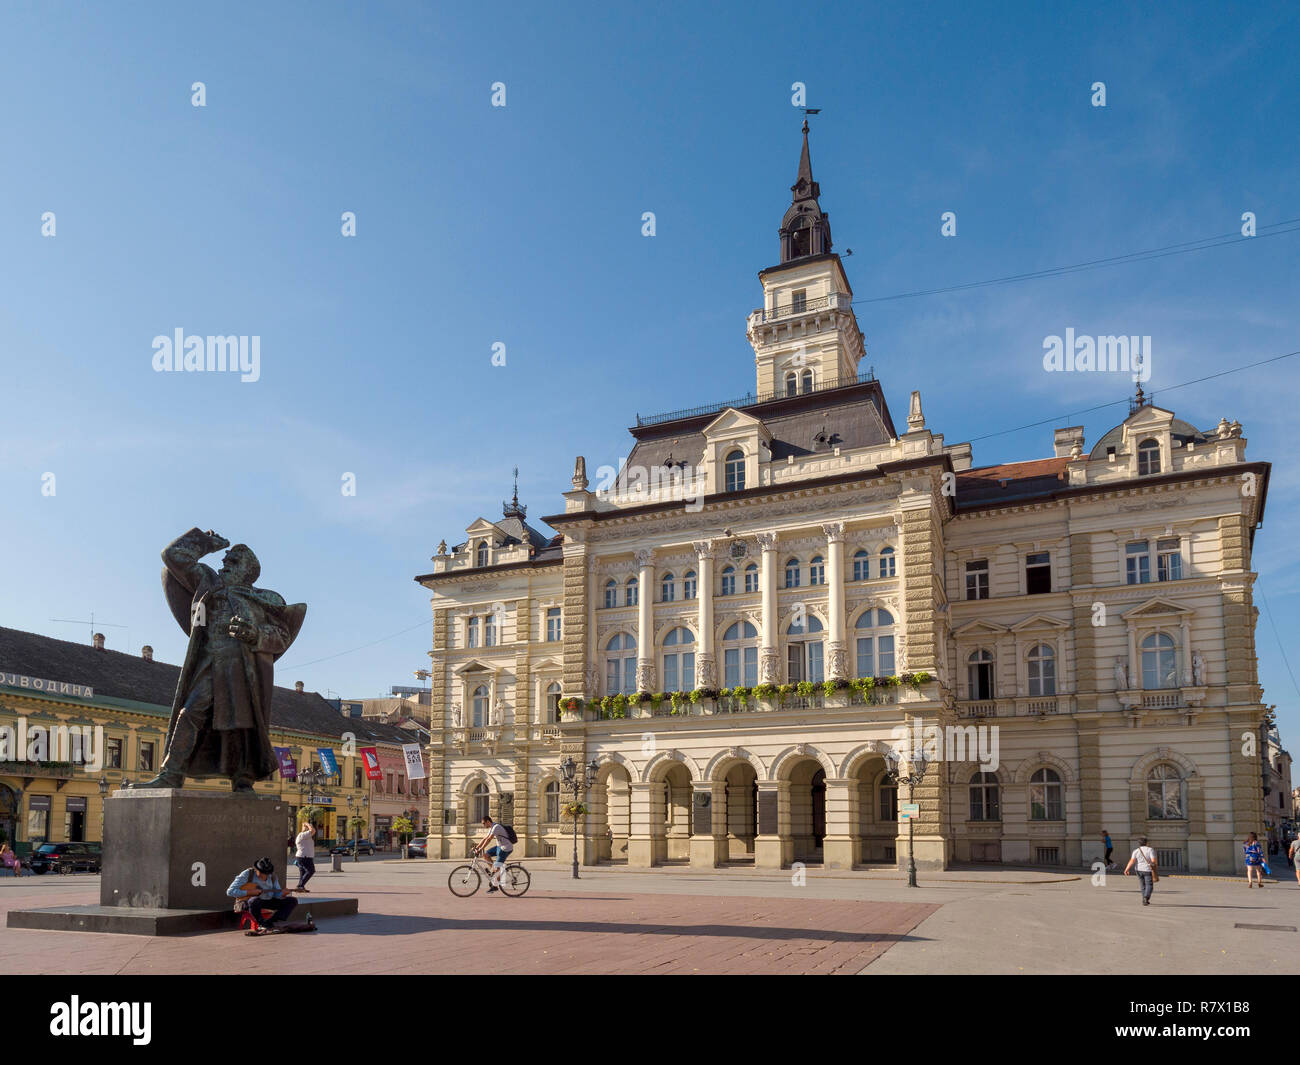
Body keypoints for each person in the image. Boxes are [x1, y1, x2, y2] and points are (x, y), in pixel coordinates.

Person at [227, 857, 297, 933]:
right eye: (261, 873)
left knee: (292, 901)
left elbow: (276, 895)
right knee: (254, 900)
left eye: (266, 874)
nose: (264, 876)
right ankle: (261, 923)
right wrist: (249, 892)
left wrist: (282, 894)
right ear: (256, 869)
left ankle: (269, 922)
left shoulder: (272, 877)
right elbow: (230, 891)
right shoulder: (247, 874)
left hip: (266, 901)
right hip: (246, 902)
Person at [473, 814, 513, 894]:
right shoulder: (492, 827)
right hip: (499, 847)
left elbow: (489, 840)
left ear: (488, 822)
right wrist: (477, 847)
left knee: (497, 868)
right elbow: (485, 838)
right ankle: (494, 871)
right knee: (486, 855)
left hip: (505, 848)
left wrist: (481, 849)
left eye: (484, 823)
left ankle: (495, 886)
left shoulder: (496, 827)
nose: (483, 825)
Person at [1123, 835, 1158, 905]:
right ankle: (1146, 897)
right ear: (1146, 842)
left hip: (1138, 870)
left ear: (1139, 843)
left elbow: (1132, 861)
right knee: (1149, 885)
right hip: (1147, 870)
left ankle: (1144, 900)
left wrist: (1126, 869)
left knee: (1142, 885)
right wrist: (1155, 867)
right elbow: (1154, 861)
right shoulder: (1150, 850)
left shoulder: (1136, 851)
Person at [293, 822, 316, 893]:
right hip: (304, 857)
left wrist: (305, 826)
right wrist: (308, 824)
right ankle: (300, 886)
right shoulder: (302, 835)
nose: (309, 829)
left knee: (303, 873)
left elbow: (311, 832)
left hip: (304, 857)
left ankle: (301, 887)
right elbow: (313, 831)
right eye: (308, 828)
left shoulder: (304, 836)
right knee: (311, 871)